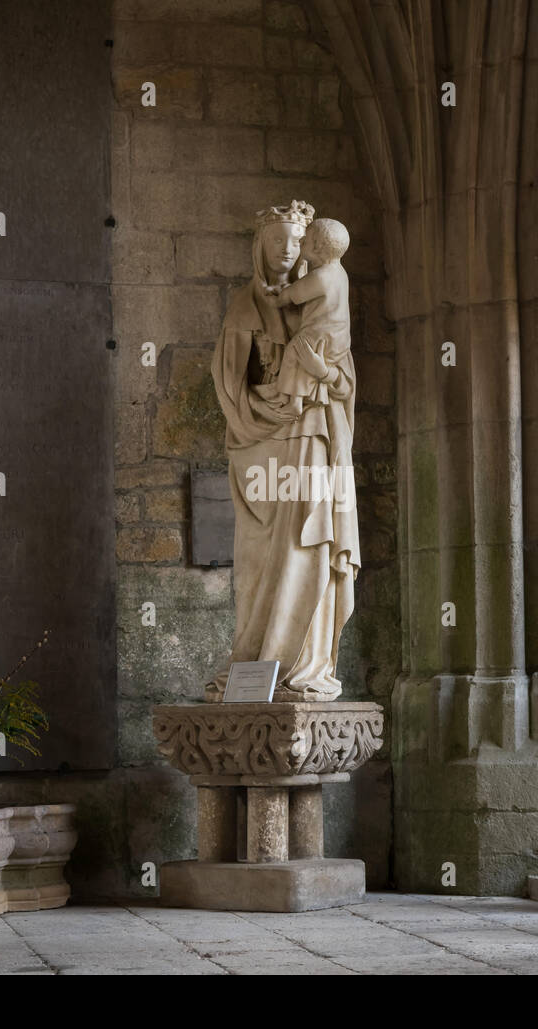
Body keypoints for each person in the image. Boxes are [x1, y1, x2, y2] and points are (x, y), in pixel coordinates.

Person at [205, 201, 360, 702]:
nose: (289, 251)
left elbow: (343, 379)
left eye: (297, 241)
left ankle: (303, 667)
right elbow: (229, 386)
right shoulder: (245, 309)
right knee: (257, 562)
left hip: (315, 437)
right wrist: (263, 411)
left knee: (308, 544)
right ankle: (254, 663)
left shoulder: (321, 301)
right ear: (260, 248)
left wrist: (321, 375)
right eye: (278, 241)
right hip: (262, 443)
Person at [261, 217, 352, 417]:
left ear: (318, 247)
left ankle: (293, 400)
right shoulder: (339, 273)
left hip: (319, 334)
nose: (296, 246)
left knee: (295, 351)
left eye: (301, 241)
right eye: (278, 241)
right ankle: (294, 400)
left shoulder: (319, 277)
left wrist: (276, 300)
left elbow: (293, 294)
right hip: (337, 336)